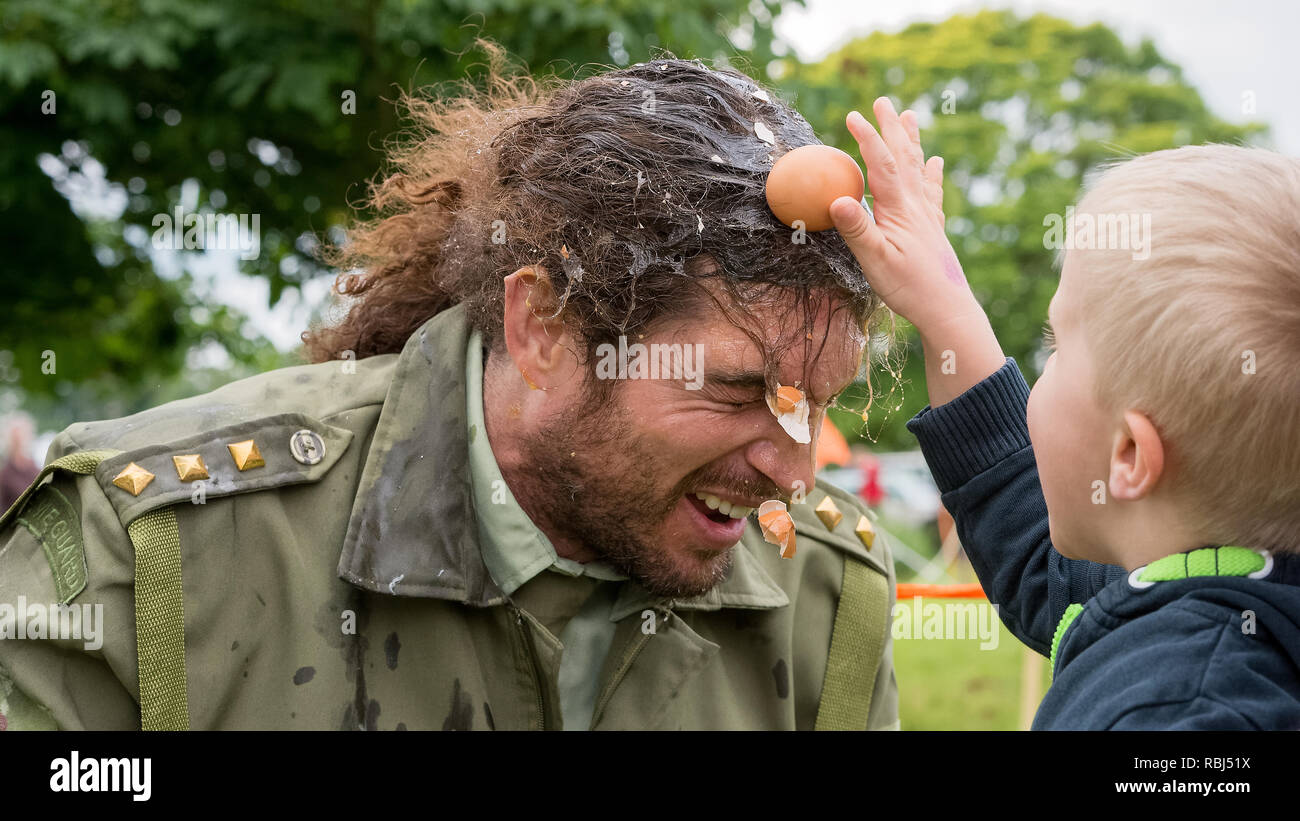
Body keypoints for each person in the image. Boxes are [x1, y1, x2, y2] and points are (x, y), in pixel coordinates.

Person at [0, 48, 899, 730]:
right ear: (542, 329)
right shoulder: (153, 551)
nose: (792, 469)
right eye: (740, 391)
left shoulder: (828, 599)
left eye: (814, 404)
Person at [830, 97, 1300, 729]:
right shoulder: (1216, 596)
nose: (1042, 369)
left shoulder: (1188, 712)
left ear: (1130, 456)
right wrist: (942, 306)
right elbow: (1036, 558)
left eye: (1054, 346)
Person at [0, 413, 39, 512]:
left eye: (22, 435)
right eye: (15, 438)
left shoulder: (36, 471)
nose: (19, 441)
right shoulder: (4, 475)